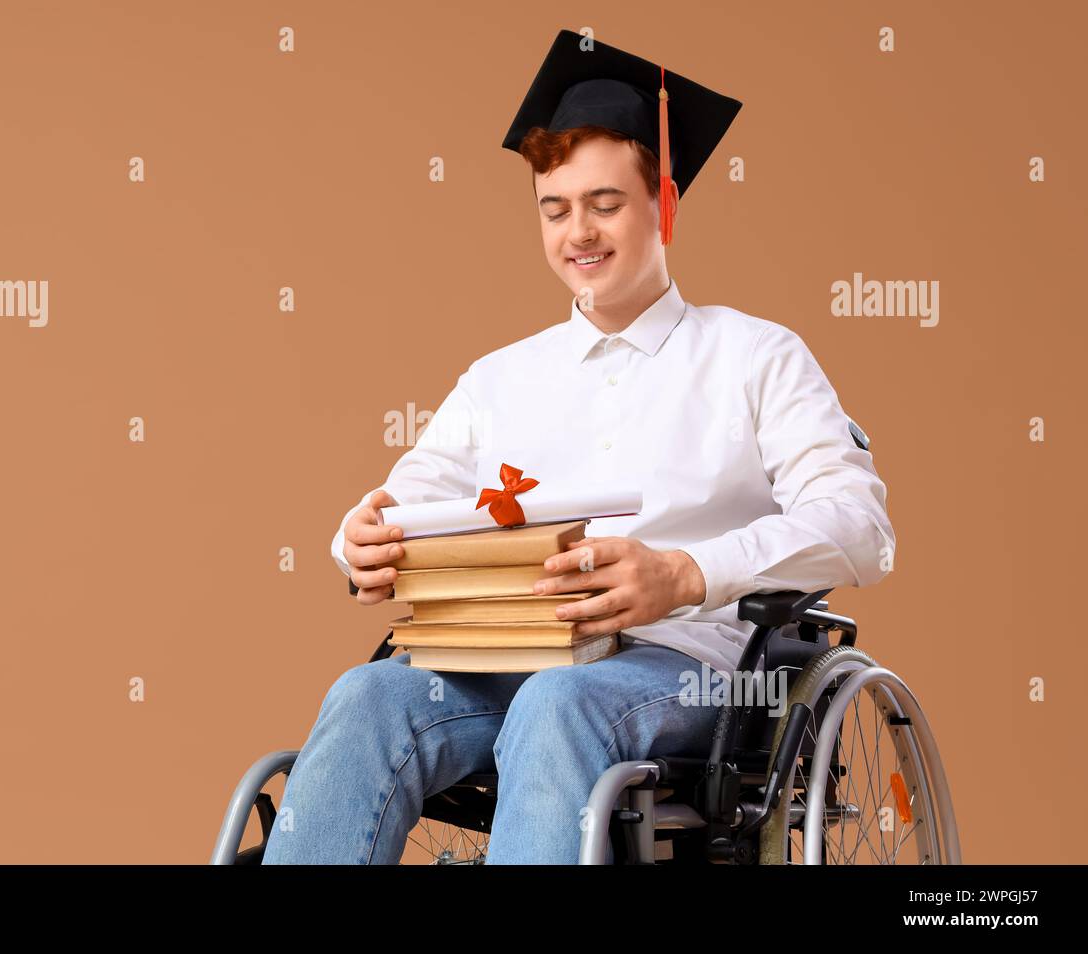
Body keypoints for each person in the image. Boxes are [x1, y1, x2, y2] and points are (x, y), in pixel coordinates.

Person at [261, 29, 895, 865]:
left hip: (696, 668)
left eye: (605, 203)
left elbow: (858, 525)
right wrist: (360, 538)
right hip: (513, 659)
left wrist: (683, 575)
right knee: (369, 696)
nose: (578, 234)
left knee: (558, 705)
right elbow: (408, 497)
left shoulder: (755, 355)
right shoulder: (500, 378)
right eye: (555, 209)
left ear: (663, 201)